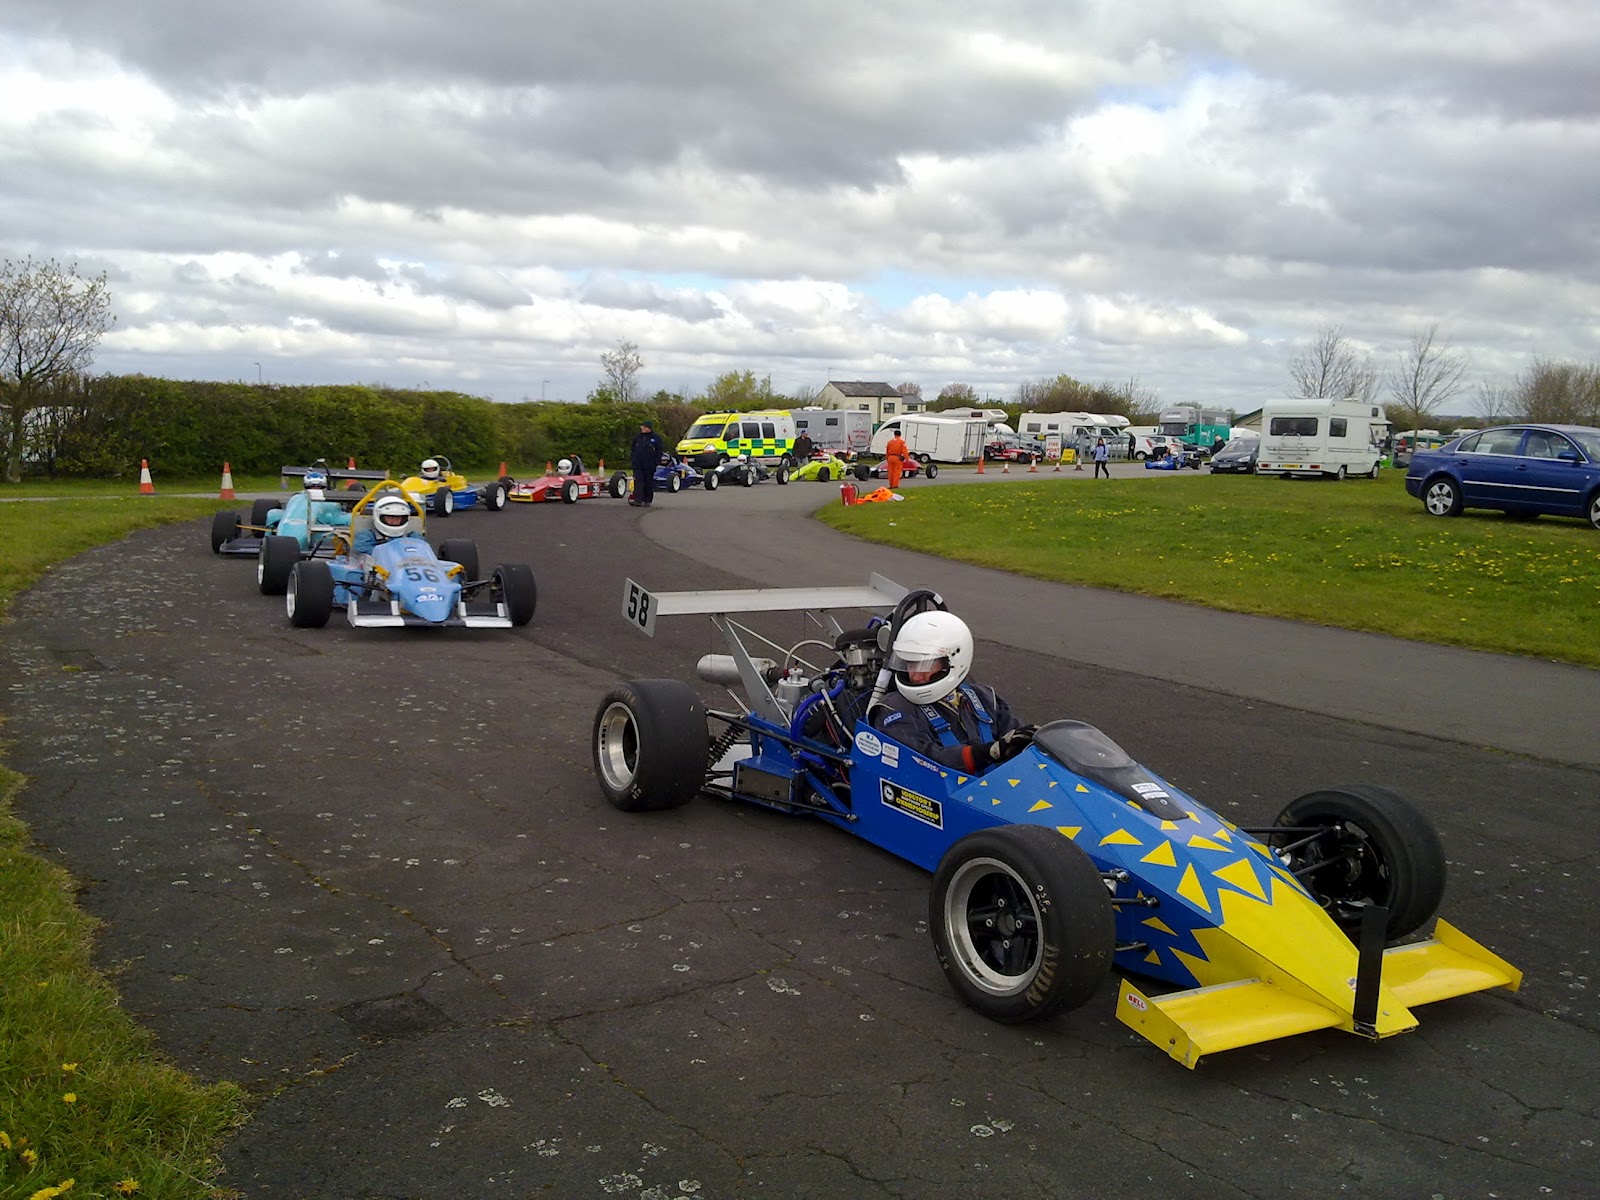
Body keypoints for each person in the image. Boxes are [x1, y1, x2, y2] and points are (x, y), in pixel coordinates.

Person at [869, 611, 1035, 773]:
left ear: (953, 661)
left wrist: (1030, 740)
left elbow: (1018, 743)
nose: (916, 675)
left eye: (925, 665)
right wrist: (987, 753)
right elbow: (922, 760)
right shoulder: (893, 708)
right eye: (911, 664)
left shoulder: (984, 697)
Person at [629, 421, 666, 506]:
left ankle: (647, 500)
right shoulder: (638, 438)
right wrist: (633, 460)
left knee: (648, 482)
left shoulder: (655, 438)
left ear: (648, 428)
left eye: (644, 427)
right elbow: (633, 449)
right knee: (638, 481)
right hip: (638, 464)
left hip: (650, 465)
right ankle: (638, 500)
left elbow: (659, 451)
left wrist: (656, 462)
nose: (642, 428)